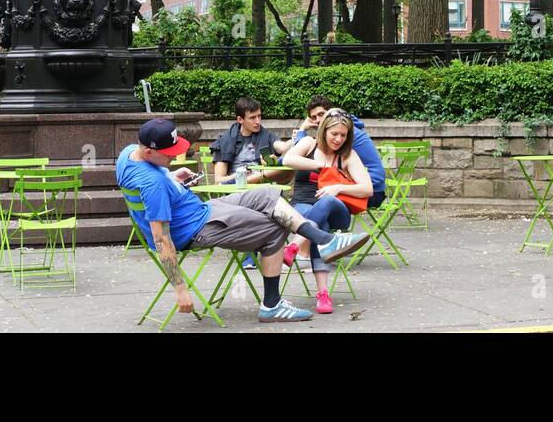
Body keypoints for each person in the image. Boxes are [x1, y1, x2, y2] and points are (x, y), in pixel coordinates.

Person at [116, 118, 369, 323]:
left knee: (267, 194)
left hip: (201, 209)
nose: (174, 157)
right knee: (274, 227)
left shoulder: (128, 155)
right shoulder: (154, 185)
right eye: (169, 154)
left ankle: (324, 241)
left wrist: (171, 176)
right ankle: (272, 305)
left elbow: (154, 173)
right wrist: (180, 288)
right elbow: (161, 238)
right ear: (148, 151)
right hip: (195, 229)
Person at [281, 109, 374, 314]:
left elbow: (367, 188)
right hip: (303, 206)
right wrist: (322, 165)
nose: (339, 139)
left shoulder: (348, 155)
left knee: (327, 202)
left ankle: (295, 245)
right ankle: (323, 294)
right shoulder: (308, 144)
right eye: (335, 134)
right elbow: (287, 160)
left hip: (337, 210)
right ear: (323, 131)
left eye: (343, 135)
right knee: (319, 227)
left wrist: (337, 187)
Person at [210, 97, 292, 183]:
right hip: (238, 187)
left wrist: (295, 139)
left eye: (259, 116)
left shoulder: (266, 135)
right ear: (240, 119)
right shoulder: (225, 140)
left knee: (289, 168)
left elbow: (282, 147)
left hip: (263, 185)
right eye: (252, 118)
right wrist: (242, 173)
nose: (258, 121)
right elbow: (219, 180)